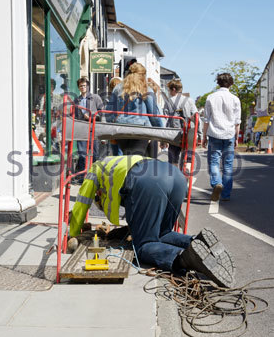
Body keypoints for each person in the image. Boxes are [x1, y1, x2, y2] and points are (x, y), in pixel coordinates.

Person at [69, 155, 235, 288]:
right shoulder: (120, 162)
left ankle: (185, 258)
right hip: (175, 176)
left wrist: (73, 233)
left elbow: (81, 203)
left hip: (147, 181)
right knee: (164, 233)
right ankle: (198, 243)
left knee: (143, 246)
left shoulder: (95, 169)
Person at [106, 63, 163, 156]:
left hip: (121, 131)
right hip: (140, 130)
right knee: (137, 160)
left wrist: (111, 126)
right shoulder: (146, 90)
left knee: (127, 158)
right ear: (142, 76)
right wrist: (161, 133)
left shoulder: (118, 88)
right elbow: (154, 115)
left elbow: (109, 112)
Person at [202, 73, 241, 202]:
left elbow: (206, 120)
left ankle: (216, 183)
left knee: (214, 162)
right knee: (228, 165)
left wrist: (203, 136)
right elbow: (237, 121)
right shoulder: (235, 99)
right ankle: (226, 195)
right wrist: (236, 138)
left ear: (218, 83)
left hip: (214, 134)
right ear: (231, 83)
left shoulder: (211, 98)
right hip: (229, 134)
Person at [163, 79, 200, 169]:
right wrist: (199, 133)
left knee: (173, 158)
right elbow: (196, 117)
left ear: (174, 89)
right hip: (187, 133)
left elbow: (165, 120)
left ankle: (174, 175)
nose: (169, 92)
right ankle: (187, 167)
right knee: (187, 153)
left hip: (173, 134)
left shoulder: (168, 101)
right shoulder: (190, 100)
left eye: (169, 90)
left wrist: (163, 139)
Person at [74, 77, 103, 183]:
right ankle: (83, 177)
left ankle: (96, 176)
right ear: (78, 87)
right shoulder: (76, 100)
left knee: (95, 153)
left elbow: (102, 112)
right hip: (81, 129)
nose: (83, 87)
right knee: (82, 154)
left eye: (84, 85)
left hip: (93, 128)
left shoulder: (95, 98)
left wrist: (93, 117)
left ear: (88, 86)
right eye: (81, 86)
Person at [107, 77, 123, 156]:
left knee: (116, 153)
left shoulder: (110, 98)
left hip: (113, 128)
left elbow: (108, 115)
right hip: (124, 127)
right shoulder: (125, 97)